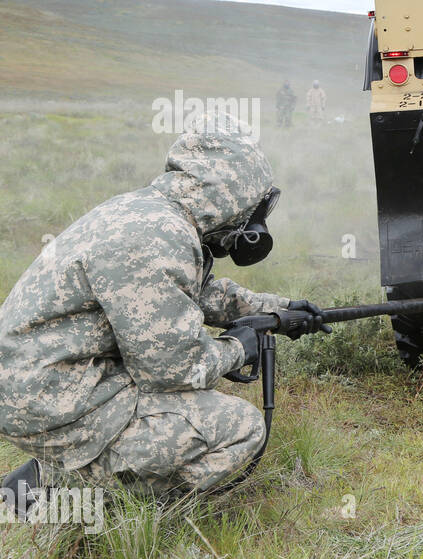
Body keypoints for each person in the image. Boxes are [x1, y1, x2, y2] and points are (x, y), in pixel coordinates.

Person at [0, 128, 323, 506]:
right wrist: (238, 348)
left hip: (45, 382)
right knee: (241, 428)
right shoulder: (159, 237)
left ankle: (56, 474)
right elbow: (171, 371)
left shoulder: (152, 214)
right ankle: (84, 498)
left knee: (194, 400)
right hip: (46, 398)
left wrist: (279, 309)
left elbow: (198, 293)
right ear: (230, 197)